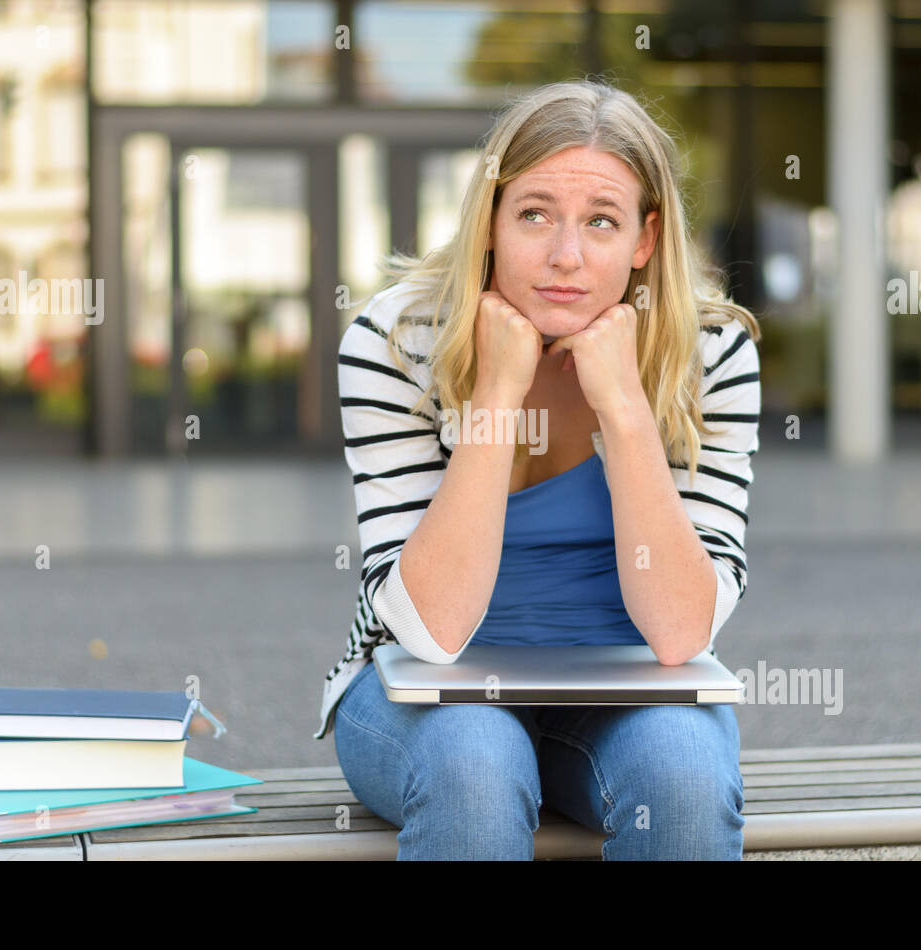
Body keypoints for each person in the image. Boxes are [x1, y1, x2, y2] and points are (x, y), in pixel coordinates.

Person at [315, 78, 763, 860]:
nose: (566, 257)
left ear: (645, 240)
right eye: (534, 215)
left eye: (601, 222)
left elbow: (682, 630)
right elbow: (433, 629)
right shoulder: (397, 343)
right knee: (477, 773)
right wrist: (496, 390)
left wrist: (625, 408)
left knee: (686, 779)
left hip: (630, 686)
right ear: (489, 220)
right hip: (419, 688)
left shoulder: (711, 355)